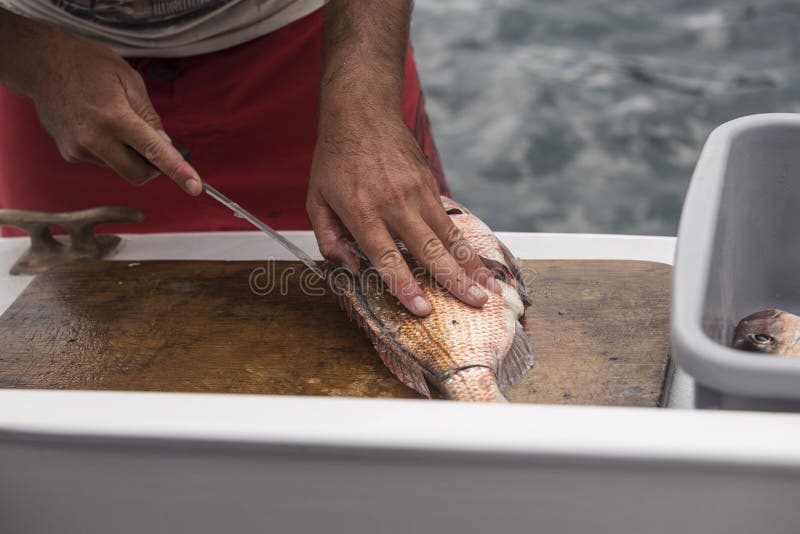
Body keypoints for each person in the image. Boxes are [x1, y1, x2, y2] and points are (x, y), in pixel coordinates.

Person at [0, 0, 499, 315]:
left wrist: (365, 103)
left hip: (330, 59)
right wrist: (38, 62)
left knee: (424, 301)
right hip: (57, 85)